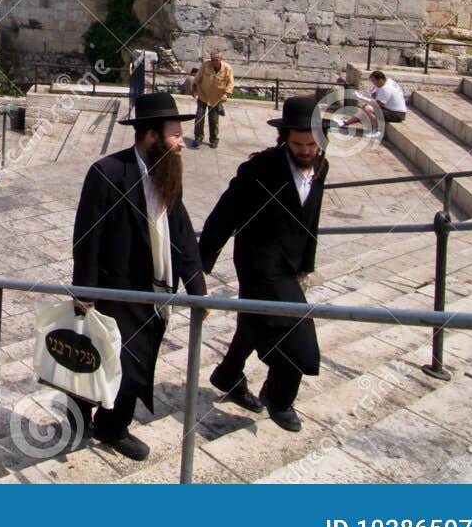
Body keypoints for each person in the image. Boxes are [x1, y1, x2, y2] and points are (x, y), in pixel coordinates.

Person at [69, 92, 206, 461]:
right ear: (150, 136)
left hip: (154, 292)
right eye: (176, 135)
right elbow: (88, 237)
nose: (182, 142)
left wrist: (198, 287)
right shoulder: (108, 173)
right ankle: (79, 416)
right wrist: (84, 292)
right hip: (115, 289)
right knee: (101, 359)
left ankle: (113, 426)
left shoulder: (167, 170)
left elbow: (180, 230)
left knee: (137, 365)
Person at [199, 95, 333, 433]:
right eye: (298, 143)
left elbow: (310, 218)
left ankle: (228, 374)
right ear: (284, 138)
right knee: (299, 337)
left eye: (312, 143)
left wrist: (307, 261)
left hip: (289, 262)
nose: (305, 150)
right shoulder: (260, 170)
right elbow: (224, 214)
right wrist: (200, 264)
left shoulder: (321, 164)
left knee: (253, 322)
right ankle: (280, 398)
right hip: (258, 262)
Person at [190, 50, 234, 148]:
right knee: (199, 117)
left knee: (214, 120)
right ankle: (198, 137)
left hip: (216, 98)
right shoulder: (205, 65)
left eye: (216, 60)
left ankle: (214, 139)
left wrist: (226, 93)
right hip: (203, 94)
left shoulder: (227, 68)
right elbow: (198, 77)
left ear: (221, 59)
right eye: (212, 60)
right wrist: (194, 88)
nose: (214, 62)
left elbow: (230, 83)